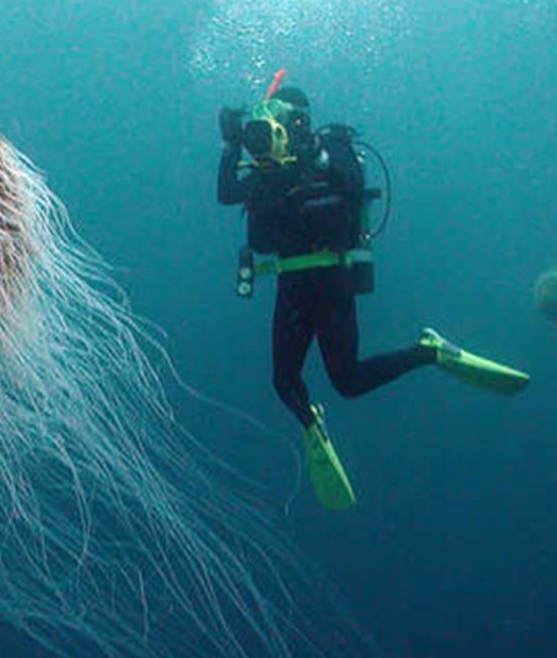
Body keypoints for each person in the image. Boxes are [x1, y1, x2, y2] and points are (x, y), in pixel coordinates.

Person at [217, 72, 529, 510]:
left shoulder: (332, 147)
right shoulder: (267, 170)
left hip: (333, 281)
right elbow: (226, 193)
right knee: (283, 382)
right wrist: (231, 146)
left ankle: (430, 352)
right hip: (291, 284)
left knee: (348, 382)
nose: (272, 131)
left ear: (301, 120)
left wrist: (312, 155)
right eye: (268, 122)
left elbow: (351, 183)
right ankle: (311, 421)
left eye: (283, 120)